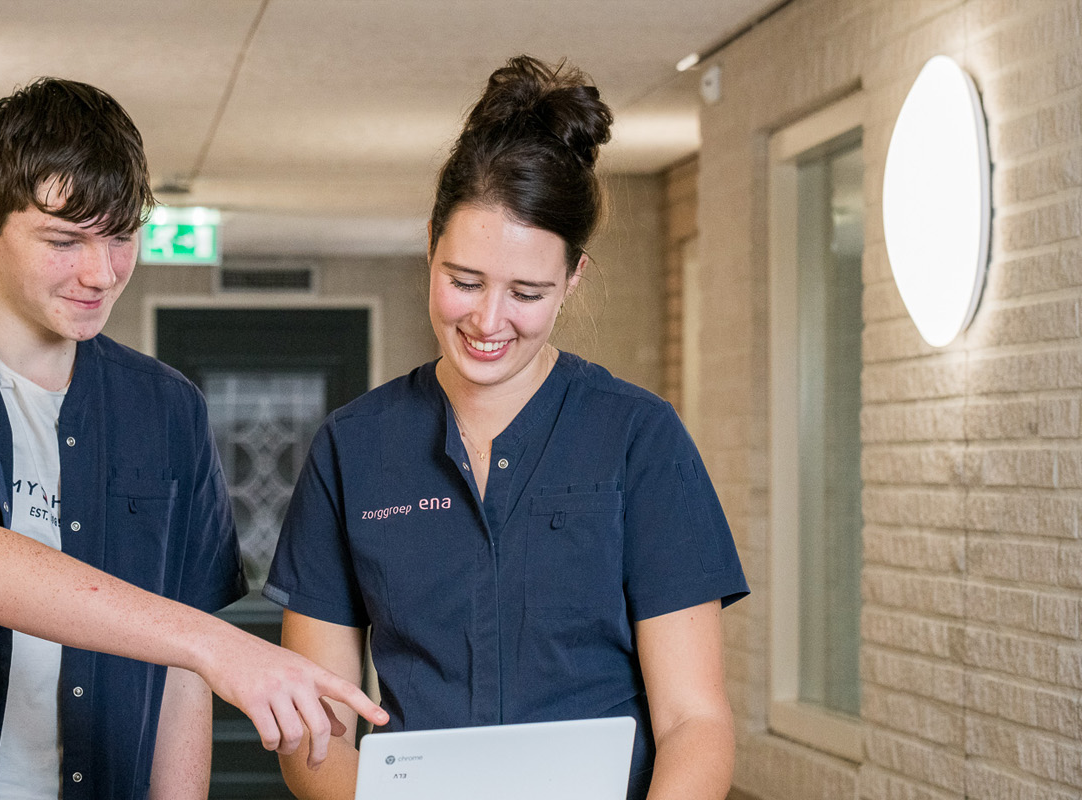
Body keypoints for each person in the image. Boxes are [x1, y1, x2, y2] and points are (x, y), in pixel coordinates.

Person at [0, 77, 386, 800]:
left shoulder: (167, 411)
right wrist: (217, 645)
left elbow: (180, 675)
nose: (100, 274)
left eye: (121, 238)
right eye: (65, 240)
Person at [264, 56, 749, 800]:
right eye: (464, 281)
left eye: (527, 292)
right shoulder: (353, 450)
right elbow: (315, 733)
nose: (488, 322)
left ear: (574, 279)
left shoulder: (639, 441)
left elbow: (694, 722)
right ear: (430, 243)